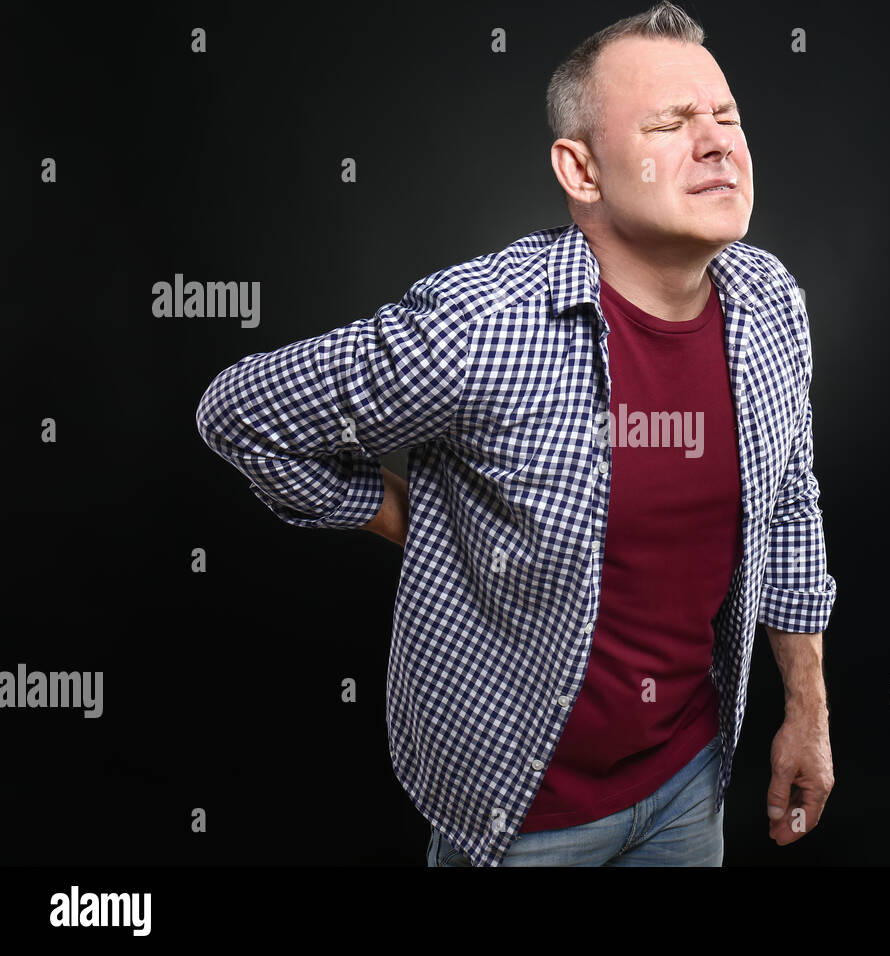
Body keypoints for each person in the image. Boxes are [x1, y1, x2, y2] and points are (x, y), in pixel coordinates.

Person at [195, 0, 836, 867]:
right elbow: (242, 409)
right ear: (581, 169)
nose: (719, 142)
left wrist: (807, 712)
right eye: (672, 122)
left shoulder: (768, 299)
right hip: (522, 810)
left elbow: (790, 501)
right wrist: (412, 520)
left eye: (726, 116)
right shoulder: (484, 326)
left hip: (692, 781)